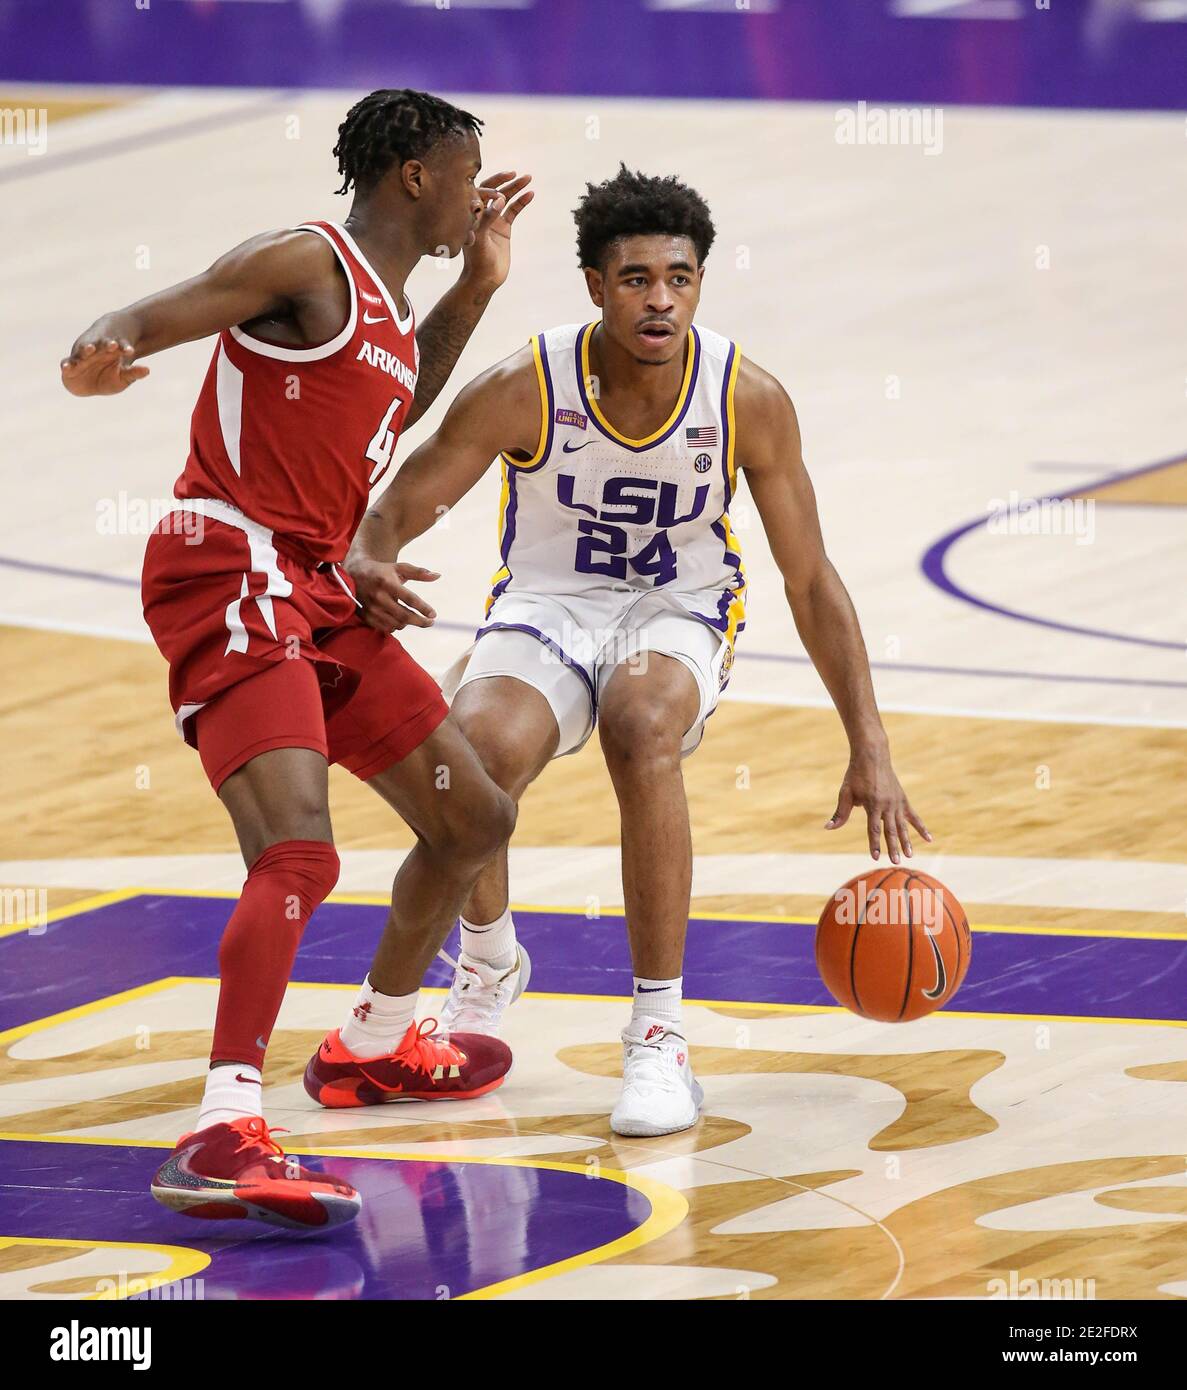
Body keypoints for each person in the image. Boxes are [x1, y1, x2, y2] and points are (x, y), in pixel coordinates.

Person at [338, 165, 931, 1140]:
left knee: (639, 719)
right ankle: (487, 956)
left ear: (698, 282)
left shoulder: (746, 398)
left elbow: (811, 580)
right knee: (477, 751)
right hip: (547, 602)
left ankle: (657, 1034)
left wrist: (866, 740)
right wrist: (367, 557)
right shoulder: (527, 383)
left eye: (677, 277)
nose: (658, 299)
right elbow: (406, 495)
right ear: (591, 285)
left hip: (678, 610)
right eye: (634, 279)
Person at [60, 89, 533, 1228]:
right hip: (226, 569)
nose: (478, 195)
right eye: (468, 172)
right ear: (415, 174)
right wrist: (100, 352)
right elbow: (160, 311)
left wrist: (475, 287)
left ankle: (368, 1049)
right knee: (297, 855)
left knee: (473, 819)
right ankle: (223, 1127)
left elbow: (392, 403)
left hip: (313, 585)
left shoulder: (380, 301)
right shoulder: (303, 259)